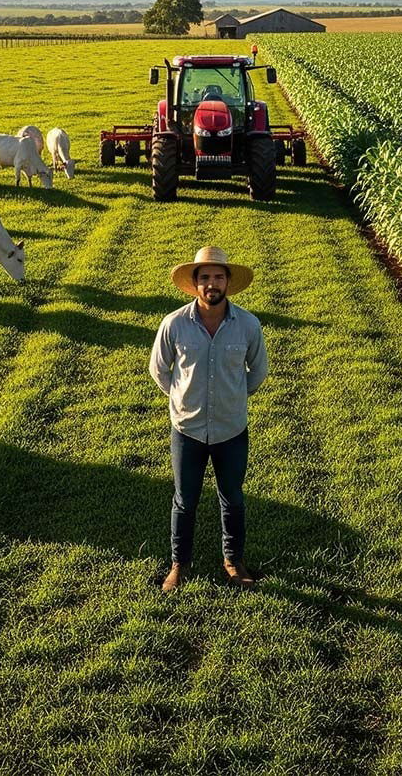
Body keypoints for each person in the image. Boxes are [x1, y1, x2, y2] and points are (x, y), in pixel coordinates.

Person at [149, 246, 268, 593]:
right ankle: (178, 564)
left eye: (218, 277)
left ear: (228, 282)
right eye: (205, 278)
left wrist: (234, 397)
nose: (212, 284)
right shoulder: (174, 324)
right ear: (195, 284)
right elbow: (159, 369)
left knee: (232, 497)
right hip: (187, 429)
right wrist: (182, 399)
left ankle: (233, 561)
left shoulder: (248, 325)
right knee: (185, 499)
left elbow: (258, 370)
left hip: (232, 429)